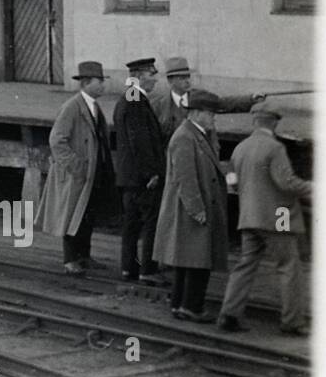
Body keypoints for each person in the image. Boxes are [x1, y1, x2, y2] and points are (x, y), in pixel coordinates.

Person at [217, 102, 312, 335]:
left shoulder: (240, 148)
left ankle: (229, 315)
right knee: (289, 266)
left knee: (245, 266)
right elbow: (286, 182)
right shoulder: (274, 148)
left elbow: (233, 183)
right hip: (278, 216)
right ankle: (292, 321)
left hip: (249, 217)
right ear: (274, 122)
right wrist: (312, 187)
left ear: (255, 121)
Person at [152, 90, 229, 323]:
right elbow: (185, 179)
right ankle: (191, 307)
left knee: (187, 259)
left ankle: (179, 304)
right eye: (209, 112)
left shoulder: (196, 133)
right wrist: (197, 210)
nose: (213, 117)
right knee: (197, 260)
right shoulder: (185, 137)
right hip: (190, 208)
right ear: (196, 113)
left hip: (192, 207)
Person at [37, 61, 113, 276]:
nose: (103, 86)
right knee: (72, 215)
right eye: (100, 82)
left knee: (86, 215)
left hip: (90, 172)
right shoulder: (72, 107)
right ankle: (70, 259)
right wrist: (76, 166)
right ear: (87, 83)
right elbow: (57, 140)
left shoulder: (93, 107)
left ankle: (84, 256)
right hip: (77, 175)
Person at [114, 57, 167, 285]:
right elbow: (140, 140)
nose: (155, 79)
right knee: (149, 222)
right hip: (141, 178)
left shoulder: (127, 98)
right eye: (152, 74)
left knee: (131, 224)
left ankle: (129, 268)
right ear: (140, 76)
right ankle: (148, 270)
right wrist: (151, 172)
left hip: (129, 176)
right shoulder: (135, 100)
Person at [150, 57, 260, 142]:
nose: (187, 81)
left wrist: (251, 99)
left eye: (188, 76)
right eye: (182, 78)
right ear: (170, 81)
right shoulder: (158, 106)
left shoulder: (199, 97)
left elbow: (223, 103)